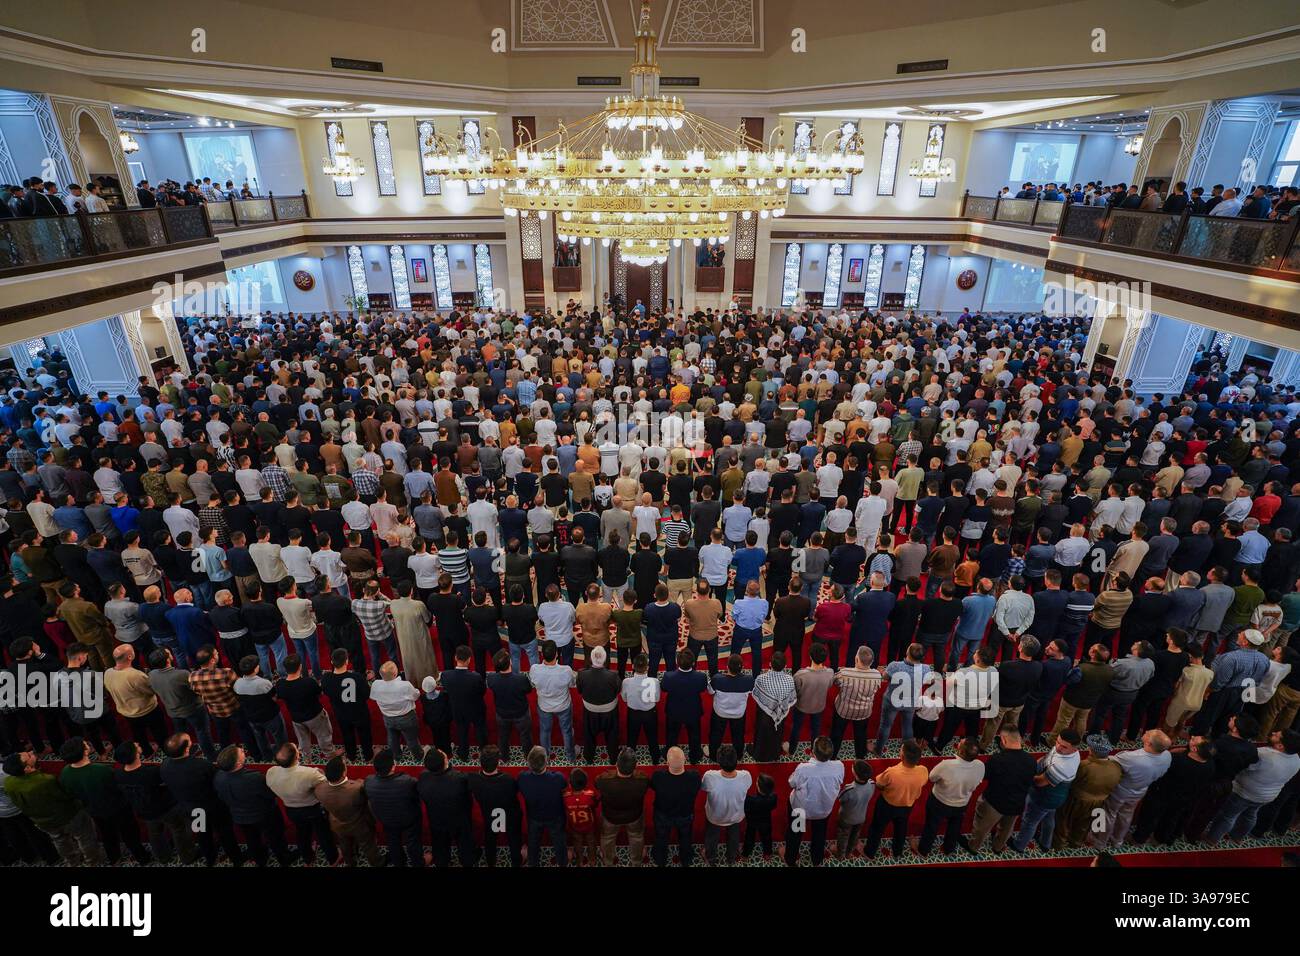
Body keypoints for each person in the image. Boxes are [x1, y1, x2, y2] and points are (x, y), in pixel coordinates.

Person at [214, 744, 291, 867]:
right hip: (263, 815)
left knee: (252, 839)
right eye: (242, 752)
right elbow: (270, 794)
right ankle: (284, 859)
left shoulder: (218, 776)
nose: (244, 751)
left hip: (239, 816)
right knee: (275, 838)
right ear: (238, 764)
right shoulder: (253, 778)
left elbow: (222, 797)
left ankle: (260, 860)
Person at [265, 741, 337, 865]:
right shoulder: (309, 773)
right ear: (297, 756)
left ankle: (307, 858)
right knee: (323, 833)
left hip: (291, 809)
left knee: (302, 833)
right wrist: (321, 773)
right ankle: (333, 857)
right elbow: (327, 786)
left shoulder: (271, 772)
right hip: (313, 809)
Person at [1009, 729, 1082, 853]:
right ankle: (1045, 843)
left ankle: (1019, 845)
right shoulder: (1068, 752)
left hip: (1045, 797)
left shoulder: (1063, 766)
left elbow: (1039, 782)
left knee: (1030, 821)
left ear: (1074, 749)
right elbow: (1048, 757)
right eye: (1057, 742)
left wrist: (1025, 775)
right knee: (1048, 817)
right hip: (1056, 796)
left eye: (1063, 746)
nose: (1058, 747)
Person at [967, 727, 1037, 853]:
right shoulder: (1031, 760)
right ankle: (998, 847)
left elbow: (984, 776)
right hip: (1017, 804)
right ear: (1019, 739)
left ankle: (974, 846)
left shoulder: (997, 759)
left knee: (981, 828)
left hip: (994, 803)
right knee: (1006, 830)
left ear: (1003, 740)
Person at [918, 737, 985, 856]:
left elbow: (932, 778)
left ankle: (923, 849)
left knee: (931, 826)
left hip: (939, 802)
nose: (959, 742)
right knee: (954, 827)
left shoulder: (947, 765)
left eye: (961, 743)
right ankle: (949, 849)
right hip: (961, 804)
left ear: (961, 751)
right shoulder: (980, 765)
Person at [784, 735, 844, 866]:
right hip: (823, 810)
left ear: (812, 752)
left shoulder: (803, 769)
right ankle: (817, 859)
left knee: (795, 833)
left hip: (801, 809)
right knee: (819, 835)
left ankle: (790, 858)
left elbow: (791, 783)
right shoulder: (839, 766)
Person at [864, 739, 929, 860]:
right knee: (901, 828)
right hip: (907, 806)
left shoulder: (892, 772)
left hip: (887, 805)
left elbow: (879, 784)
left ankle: (869, 852)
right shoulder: (923, 771)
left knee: (877, 827)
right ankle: (897, 852)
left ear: (902, 755)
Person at [314, 755, 383, 867]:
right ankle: (377, 863)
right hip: (359, 825)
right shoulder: (357, 788)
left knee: (345, 845)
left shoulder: (319, 790)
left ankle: (350, 862)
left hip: (337, 824)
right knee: (368, 846)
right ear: (343, 773)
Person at [363, 748, 427, 867]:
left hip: (386, 819)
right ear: (392, 766)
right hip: (409, 819)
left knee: (393, 842)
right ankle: (418, 863)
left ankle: (399, 862)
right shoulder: (406, 781)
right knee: (413, 842)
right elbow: (417, 793)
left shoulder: (369, 781)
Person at [418, 747, 479, 868]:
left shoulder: (423, 778)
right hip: (459, 820)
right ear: (445, 761)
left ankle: (442, 861)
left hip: (436, 819)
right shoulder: (460, 778)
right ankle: (468, 861)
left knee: (440, 847)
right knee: (465, 845)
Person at [649, 746, 702, 867]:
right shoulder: (694, 778)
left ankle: (660, 859)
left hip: (663, 815)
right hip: (685, 815)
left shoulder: (658, 777)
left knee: (661, 838)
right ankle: (686, 859)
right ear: (685, 760)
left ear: (667, 762)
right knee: (685, 838)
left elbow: (652, 786)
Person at [517, 745, 568, 867]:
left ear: (529, 763)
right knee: (559, 842)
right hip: (555, 816)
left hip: (534, 817)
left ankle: (533, 863)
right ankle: (563, 862)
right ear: (546, 762)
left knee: (533, 842)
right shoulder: (558, 778)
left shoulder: (522, 778)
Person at [701, 743, 752, 865]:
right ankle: (731, 858)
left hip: (715, 816)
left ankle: (710, 857)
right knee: (734, 836)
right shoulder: (745, 776)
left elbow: (703, 788)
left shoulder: (710, 776)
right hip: (735, 816)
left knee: (711, 837)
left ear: (719, 761)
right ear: (736, 760)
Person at [833, 759, 876, 859]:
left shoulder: (850, 789)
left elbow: (841, 799)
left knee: (843, 835)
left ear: (855, 773)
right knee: (855, 835)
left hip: (846, 818)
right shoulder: (872, 784)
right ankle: (849, 853)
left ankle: (840, 854)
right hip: (861, 817)